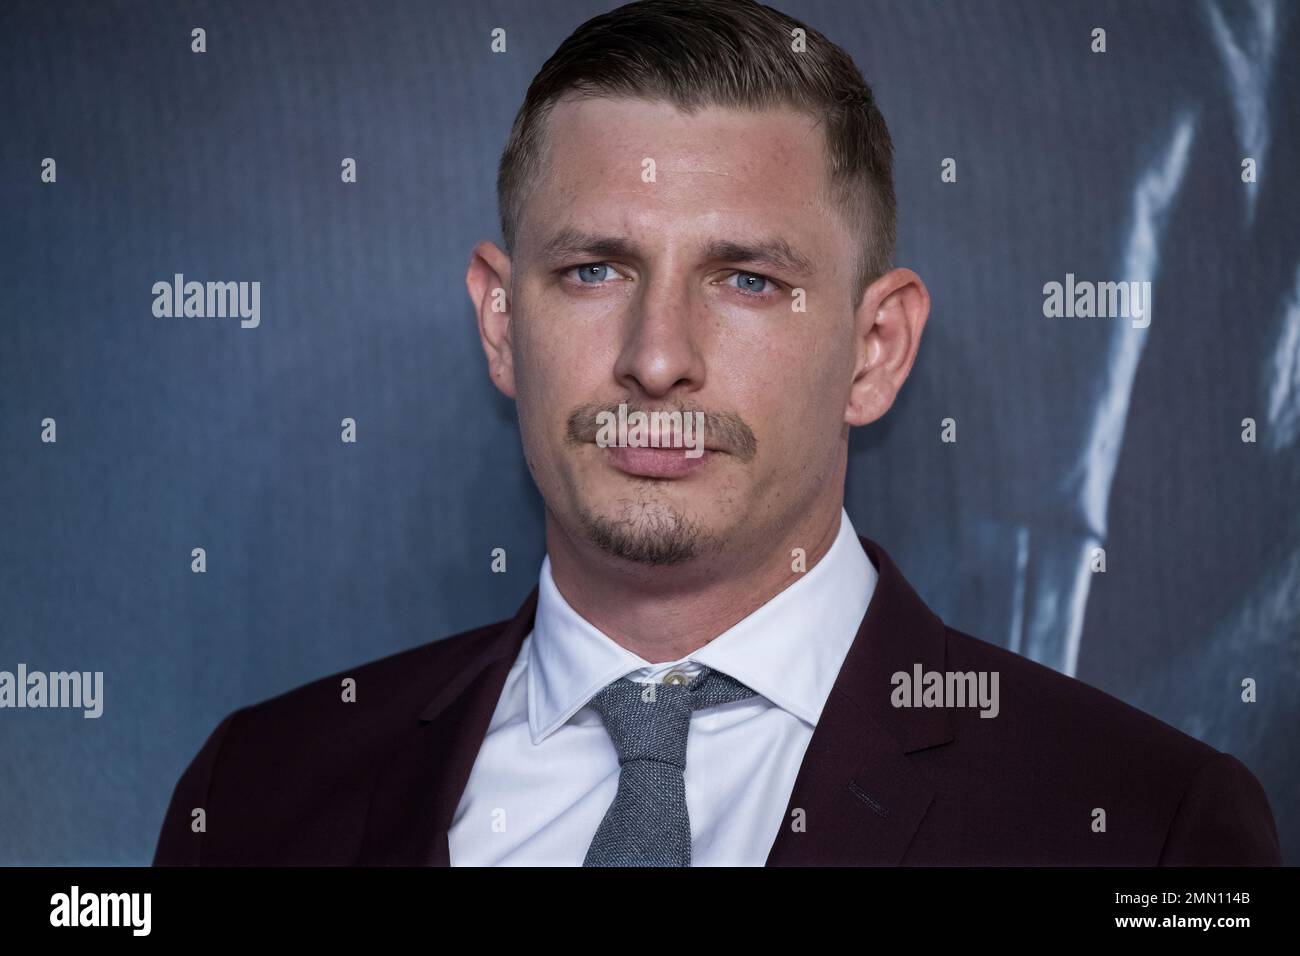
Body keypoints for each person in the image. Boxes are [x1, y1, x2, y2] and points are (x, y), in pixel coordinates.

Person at [153, 0, 1282, 866]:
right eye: (594, 269)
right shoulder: (258, 793)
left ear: (874, 348)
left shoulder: (1140, 827)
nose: (656, 356)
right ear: (502, 322)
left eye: (746, 279)